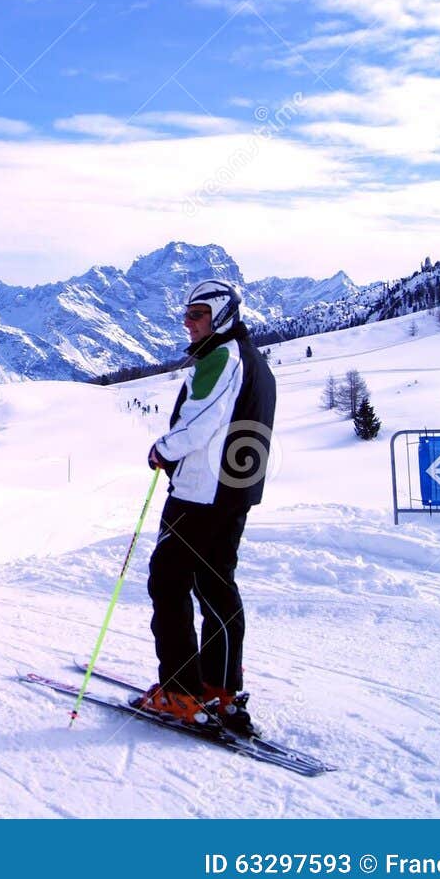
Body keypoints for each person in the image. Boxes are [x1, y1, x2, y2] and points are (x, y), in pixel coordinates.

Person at [135, 278, 276, 733]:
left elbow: (198, 426)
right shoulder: (254, 360)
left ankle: (181, 691)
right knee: (216, 586)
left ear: (222, 315)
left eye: (198, 314)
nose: (188, 322)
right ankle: (221, 688)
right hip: (234, 493)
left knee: (168, 581)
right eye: (186, 314)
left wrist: (162, 449)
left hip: (200, 492)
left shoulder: (220, 357)